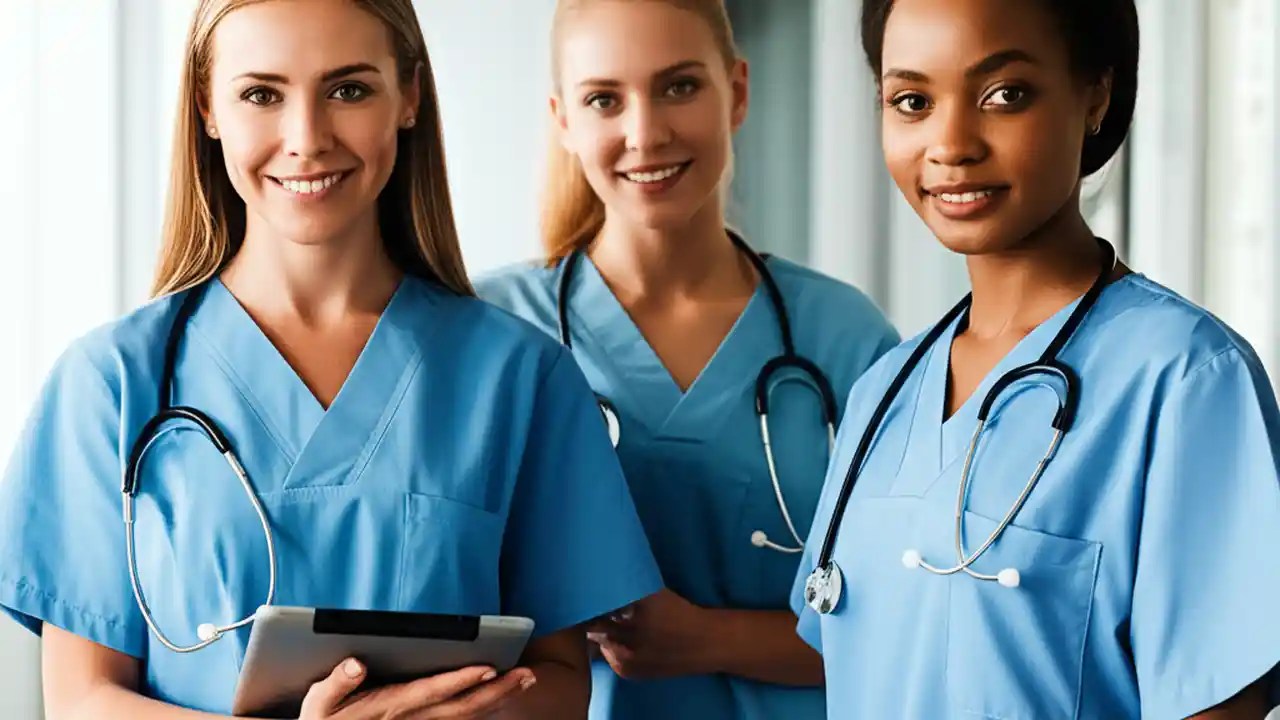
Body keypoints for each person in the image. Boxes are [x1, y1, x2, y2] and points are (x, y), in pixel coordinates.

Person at [0, 0, 662, 716]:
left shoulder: (521, 378)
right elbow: (81, 699)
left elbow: (563, 682)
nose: (306, 138)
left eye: (348, 89)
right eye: (261, 94)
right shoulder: (109, 384)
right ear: (207, 107)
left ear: (408, 96)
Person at [791, 0, 1280, 718]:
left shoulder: (1186, 381)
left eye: (1004, 95)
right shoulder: (881, 394)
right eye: (912, 101)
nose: (950, 143)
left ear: (1096, 96)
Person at [475, 1, 898, 718]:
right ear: (563, 120)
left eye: (679, 87)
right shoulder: (491, 330)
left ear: (736, 92)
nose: (646, 133)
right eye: (604, 99)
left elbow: (903, 622)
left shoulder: (844, 337)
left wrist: (705, 639)